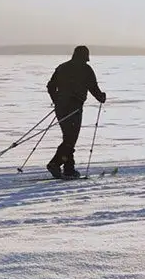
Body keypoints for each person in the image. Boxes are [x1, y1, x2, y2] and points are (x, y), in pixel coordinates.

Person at [45, 45, 107, 179]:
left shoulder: (62, 67)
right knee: (70, 139)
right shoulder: (85, 69)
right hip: (74, 107)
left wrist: (56, 99)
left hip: (60, 108)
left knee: (68, 137)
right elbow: (93, 87)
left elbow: (50, 86)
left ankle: (69, 169)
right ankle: (55, 164)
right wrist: (101, 97)